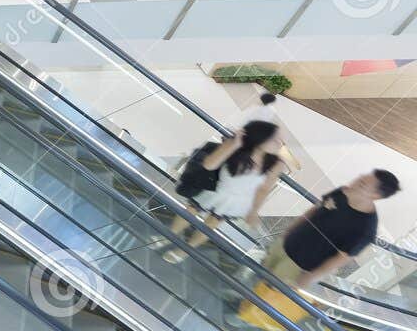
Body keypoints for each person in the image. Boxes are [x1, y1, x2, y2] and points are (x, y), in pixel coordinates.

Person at [156, 121, 286, 262]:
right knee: (192, 210)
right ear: (260, 138)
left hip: (239, 199)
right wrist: (234, 144)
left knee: (212, 222)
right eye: (275, 139)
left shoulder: (276, 163)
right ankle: (169, 236)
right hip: (216, 189)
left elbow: (264, 189)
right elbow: (209, 164)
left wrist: (254, 211)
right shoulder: (237, 147)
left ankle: (184, 251)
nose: (280, 143)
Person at [260, 170, 401, 289]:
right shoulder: (342, 192)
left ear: (375, 196)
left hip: (298, 264)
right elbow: (315, 210)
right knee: (258, 271)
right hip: (285, 244)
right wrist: (287, 231)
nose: (356, 181)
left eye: (362, 184)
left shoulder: (365, 228)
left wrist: (309, 278)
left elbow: (342, 258)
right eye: (361, 178)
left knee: (267, 291)